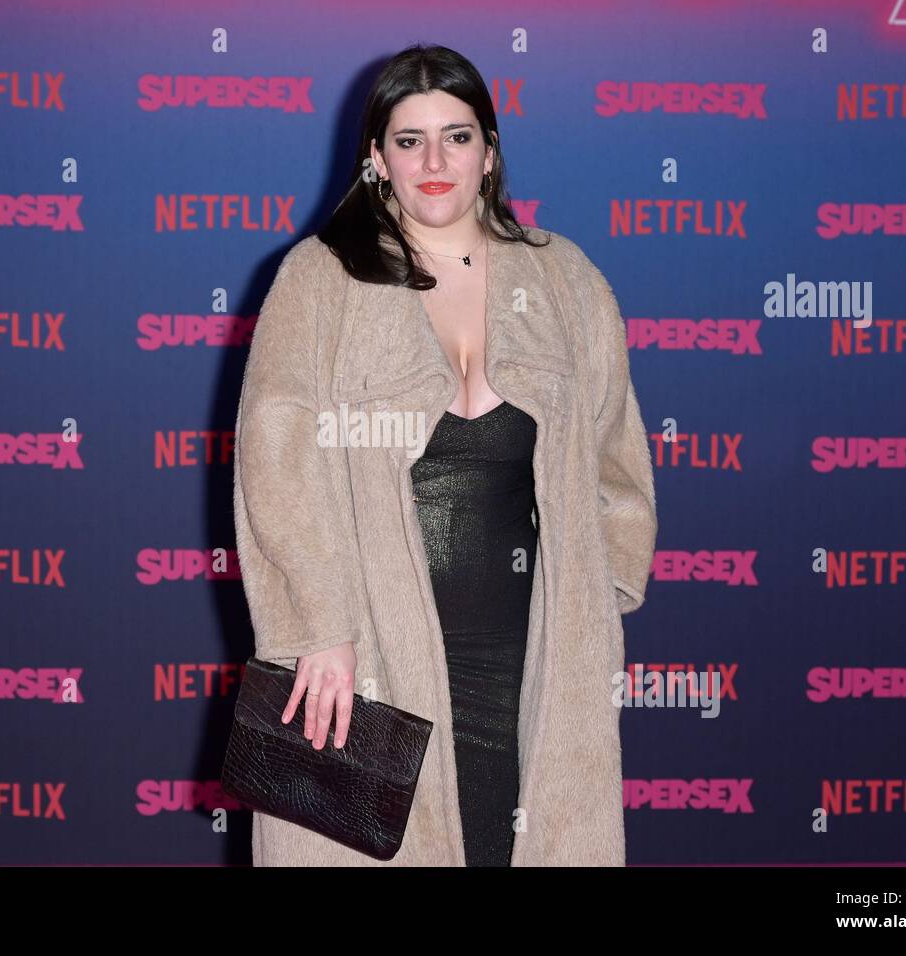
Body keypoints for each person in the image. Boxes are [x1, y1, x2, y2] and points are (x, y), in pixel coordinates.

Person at [233, 44, 657, 866]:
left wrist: (595, 608)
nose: (435, 160)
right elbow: (277, 462)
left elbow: (616, 462)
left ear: (489, 152)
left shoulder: (566, 281)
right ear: (376, 158)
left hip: (528, 661)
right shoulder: (320, 281)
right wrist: (320, 626)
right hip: (369, 659)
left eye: (456, 137)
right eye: (409, 139)